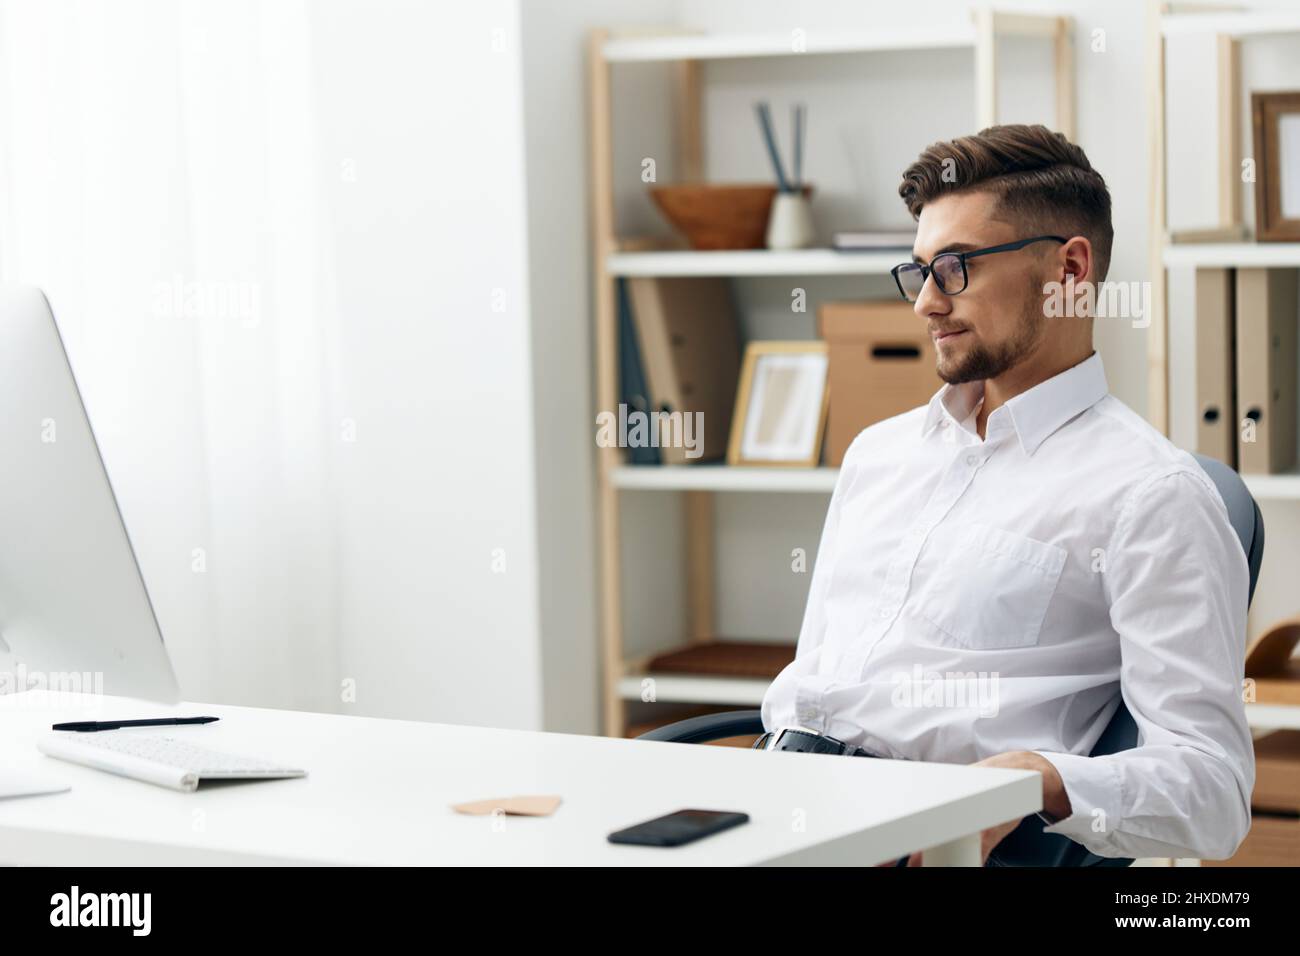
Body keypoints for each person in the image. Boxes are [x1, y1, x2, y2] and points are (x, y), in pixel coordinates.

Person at [760, 124, 1254, 866]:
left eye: (955, 268)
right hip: (768, 801)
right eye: (920, 269)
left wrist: (1038, 779)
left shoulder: (1151, 495)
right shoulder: (878, 455)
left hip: (917, 840)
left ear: (1070, 269)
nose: (926, 302)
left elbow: (1213, 791)